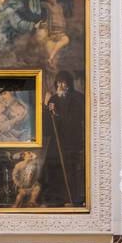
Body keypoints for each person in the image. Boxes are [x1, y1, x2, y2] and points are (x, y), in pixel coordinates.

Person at [39, 70, 86, 207]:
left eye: (64, 82)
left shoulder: (79, 98)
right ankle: (55, 198)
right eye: (58, 82)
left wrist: (57, 114)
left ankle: (74, 198)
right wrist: (47, 110)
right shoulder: (53, 99)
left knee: (72, 169)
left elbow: (76, 120)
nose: (61, 85)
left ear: (69, 83)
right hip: (57, 141)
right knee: (53, 167)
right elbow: (47, 127)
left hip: (73, 140)